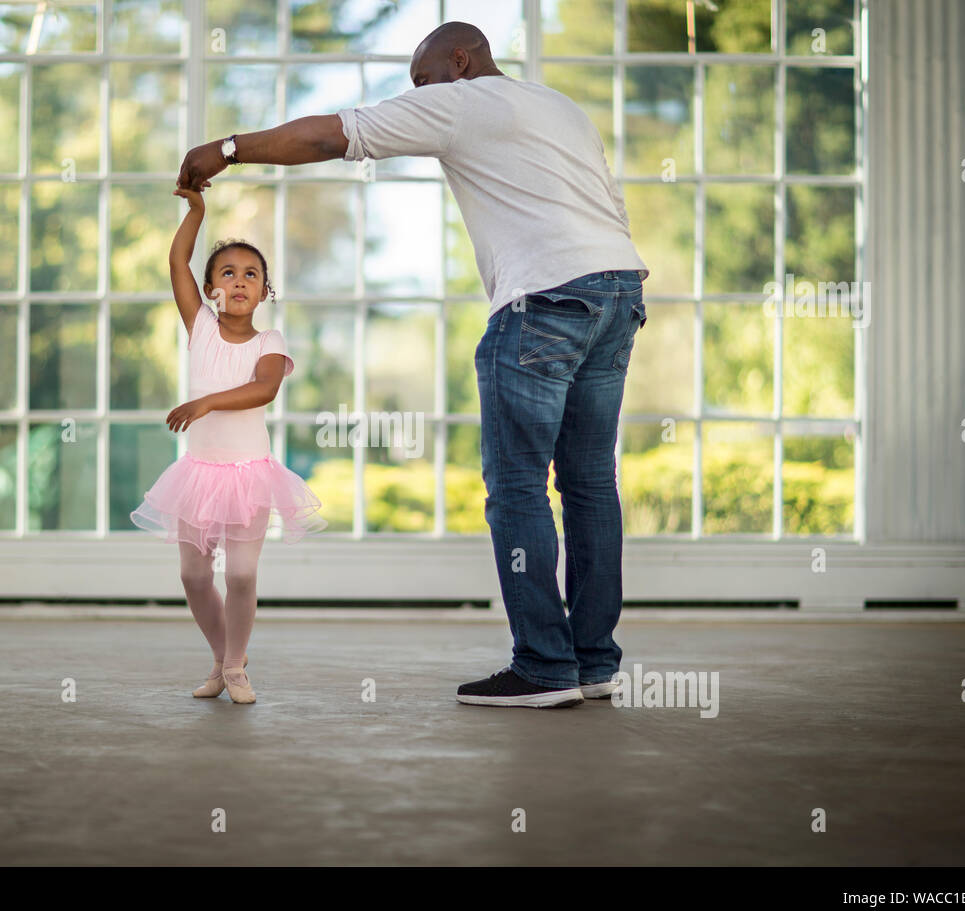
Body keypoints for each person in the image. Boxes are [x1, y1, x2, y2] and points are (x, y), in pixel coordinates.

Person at [177, 21, 648, 710]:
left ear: (460, 61)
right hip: (617, 290)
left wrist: (227, 149)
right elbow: (609, 206)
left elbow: (329, 136)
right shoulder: (559, 107)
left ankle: (547, 665)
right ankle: (595, 660)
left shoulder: (460, 100)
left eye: (423, 80)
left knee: (518, 486)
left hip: (542, 301)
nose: (418, 96)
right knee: (588, 484)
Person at [130, 185, 327, 704]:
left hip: (249, 474)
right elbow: (176, 261)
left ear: (265, 291)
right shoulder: (199, 326)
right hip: (199, 473)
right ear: (211, 288)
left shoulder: (271, 342)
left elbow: (264, 388)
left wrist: (204, 403)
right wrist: (196, 211)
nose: (239, 282)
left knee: (241, 573)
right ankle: (222, 659)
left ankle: (236, 666)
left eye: (251, 275)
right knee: (195, 575)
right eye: (226, 273)